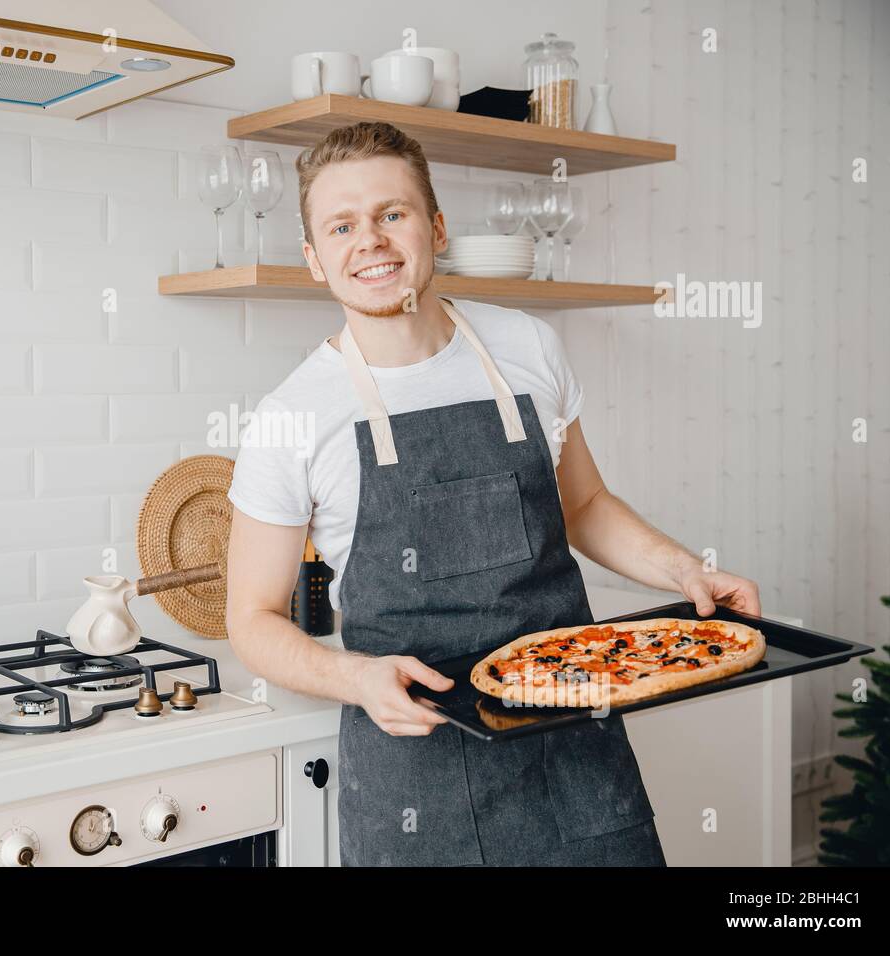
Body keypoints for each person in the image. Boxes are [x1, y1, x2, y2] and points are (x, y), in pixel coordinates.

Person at [224, 121, 761, 867]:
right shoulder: (292, 416)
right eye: (342, 225)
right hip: (416, 779)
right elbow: (249, 618)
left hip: (574, 750)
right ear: (315, 259)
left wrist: (684, 572)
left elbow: (585, 505)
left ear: (436, 227)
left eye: (392, 214)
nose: (370, 241)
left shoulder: (527, 348)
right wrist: (353, 677)